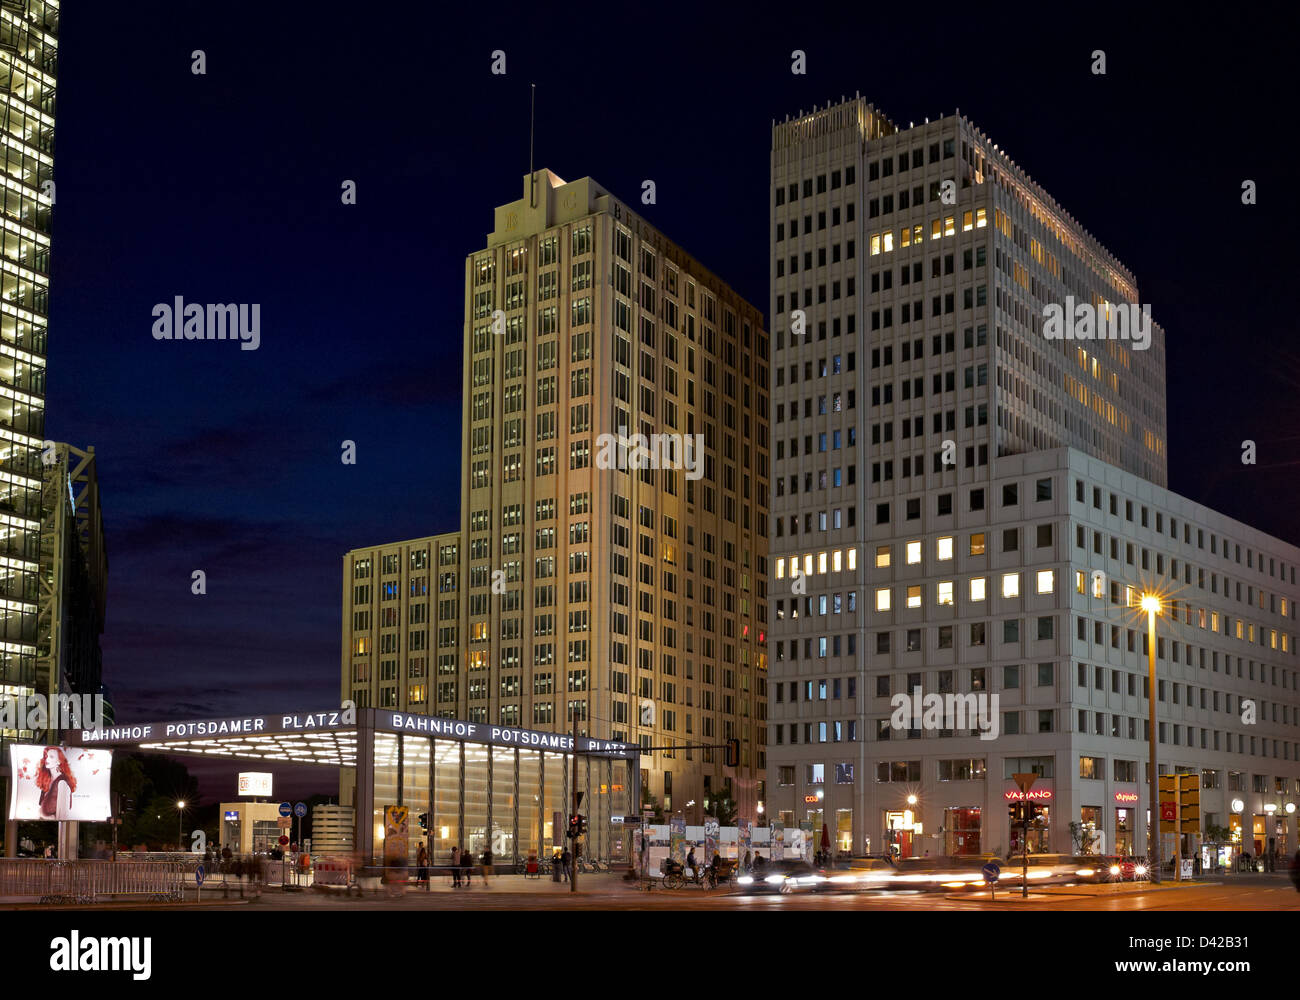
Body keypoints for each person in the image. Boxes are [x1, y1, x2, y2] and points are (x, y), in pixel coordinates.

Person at [36, 747, 77, 820]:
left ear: (59, 761)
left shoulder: (62, 783)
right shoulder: (47, 780)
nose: (47, 759)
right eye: (46, 756)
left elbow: (62, 818)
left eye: (51, 757)